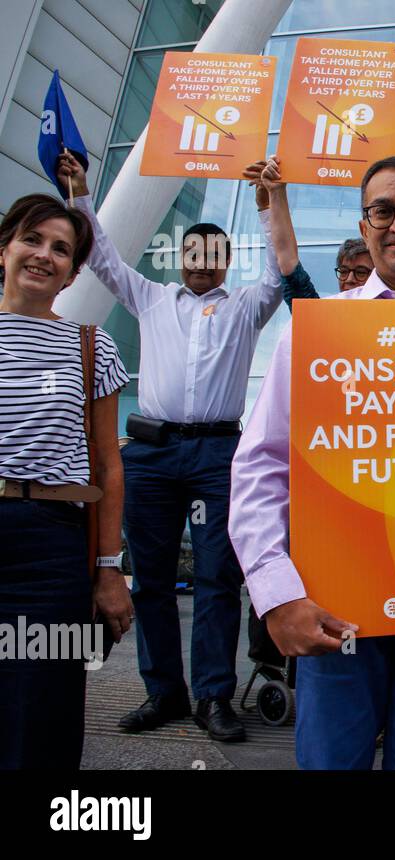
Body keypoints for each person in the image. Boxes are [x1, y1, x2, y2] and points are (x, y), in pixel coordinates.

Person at [229, 155, 395, 770]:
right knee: (331, 761)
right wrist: (275, 593)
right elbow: (262, 463)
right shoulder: (321, 328)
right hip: (338, 599)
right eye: (383, 211)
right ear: (365, 226)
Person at [58, 154, 285, 744]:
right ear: (179, 259)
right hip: (152, 456)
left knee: (215, 577)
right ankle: (164, 693)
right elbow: (103, 256)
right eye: (191, 254)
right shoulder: (151, 298)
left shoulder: (246, 307)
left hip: (215, 459)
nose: (201, 264)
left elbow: (282, 275)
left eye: (212, 256)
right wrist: (81, 195)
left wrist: (266, 205)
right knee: (151, 579)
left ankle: (213, 696)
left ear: (226, 262)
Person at [0, 194, 133, 769]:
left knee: (44, 713)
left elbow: (108, 466)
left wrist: (109, 571)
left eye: (62, 249)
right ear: (4, 249)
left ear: (74, 272)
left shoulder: (91, 344)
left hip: (52, 548)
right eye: (32, 240)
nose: (44, 256)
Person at [251, 156, 372, 309]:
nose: (349, 279)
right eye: (343, 271)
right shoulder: (321, 319)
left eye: (361, 272)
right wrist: (276, 191)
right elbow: (289, 264)